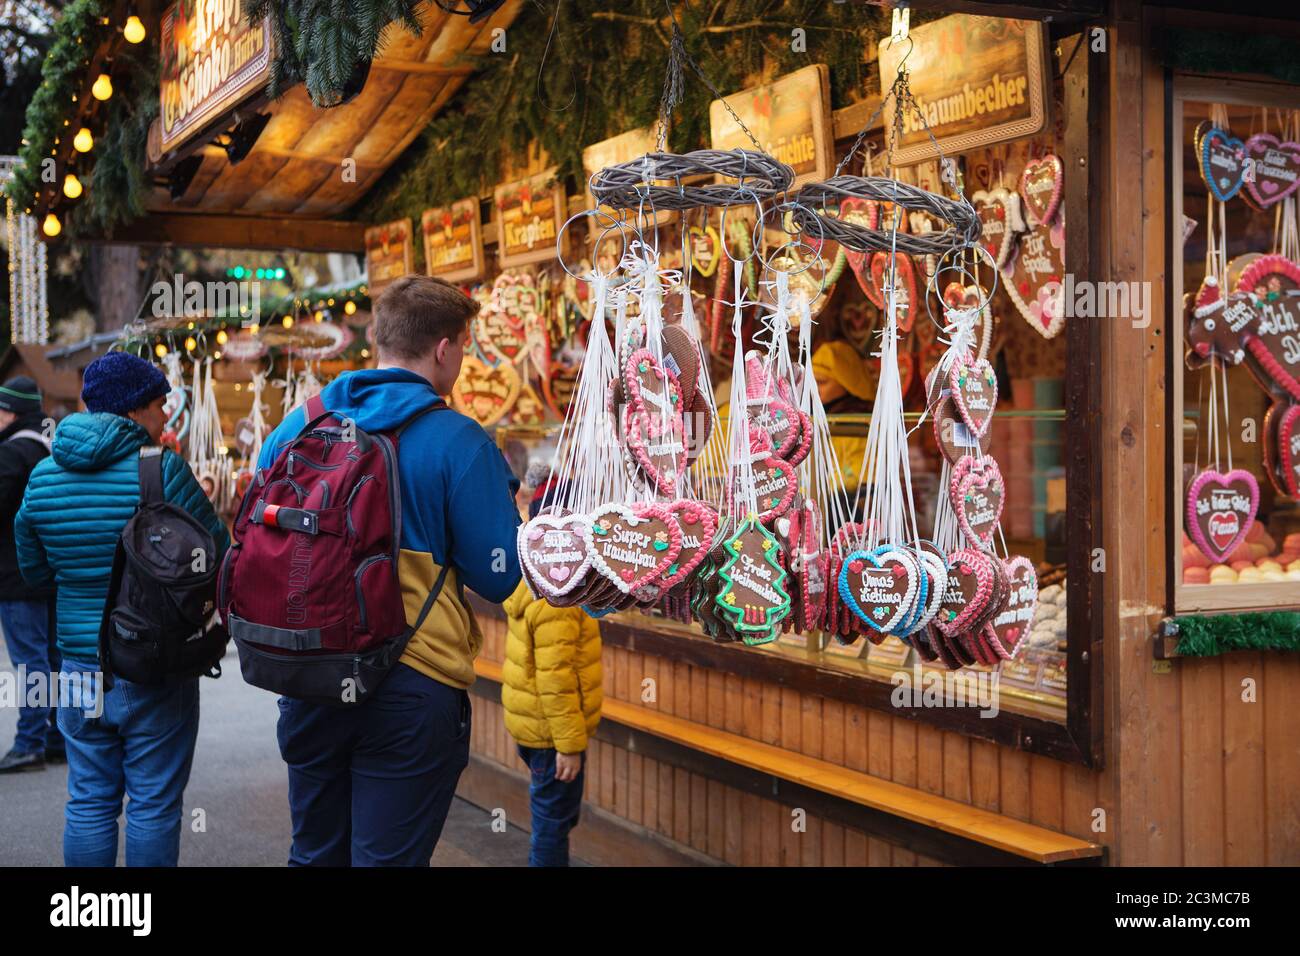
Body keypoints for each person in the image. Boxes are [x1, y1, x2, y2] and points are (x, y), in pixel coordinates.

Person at [259, 275, 521, 866]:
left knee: (314, 855)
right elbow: (499, 576)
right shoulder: (460, 441)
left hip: (308, 672)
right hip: (413, 681)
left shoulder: (298, 425)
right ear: (445, 349)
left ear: (378, 339)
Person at [15, 352, 229, 866]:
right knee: (153, 804)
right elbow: (216, 556)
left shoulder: (43, 477)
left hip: (78, 667)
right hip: (153, 662)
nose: (163, 418)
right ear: (134, 410)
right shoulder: (163, 471)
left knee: (88, 799)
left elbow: (35, 573)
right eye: (158, 406)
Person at [502, 477, 602, 867]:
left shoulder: (534, 580)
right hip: (551, 733)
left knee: (554, 815)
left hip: (535, 725)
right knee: (552, 824)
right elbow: (555, 677)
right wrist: (568, 745)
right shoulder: (560, 596)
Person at [0, 377, 61, 773]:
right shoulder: (51, 445)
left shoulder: (12, 452)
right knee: (53, 657)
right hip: (50, 570)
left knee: (30, 661)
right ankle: (57, 737)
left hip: (14, 572)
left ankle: (29, 742)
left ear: (11, 411)